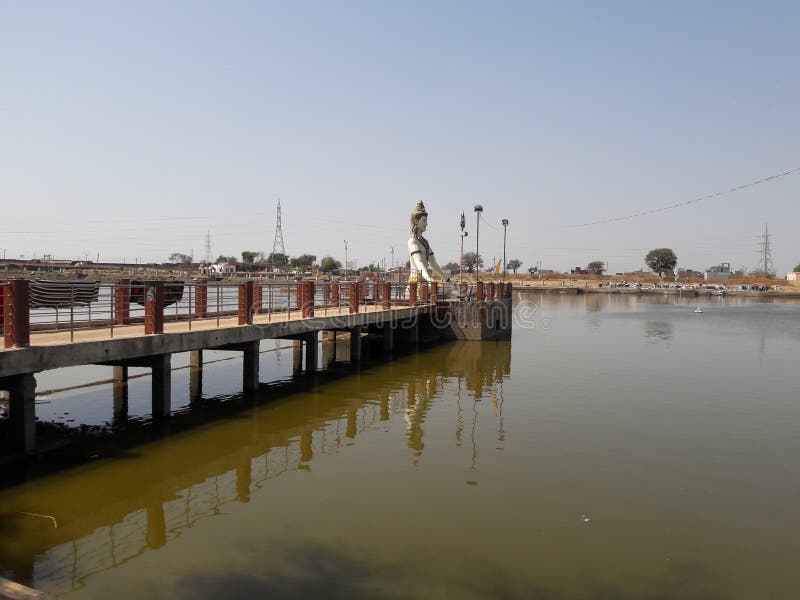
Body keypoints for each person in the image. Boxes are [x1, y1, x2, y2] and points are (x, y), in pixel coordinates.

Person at [407, 201, 447, 283]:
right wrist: (428, 278)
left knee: (441, 288)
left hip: (425, 280)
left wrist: (447, 278)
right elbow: (418, 262)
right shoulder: (412, 241)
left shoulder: (425, 242)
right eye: (424, 221)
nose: (426, 224)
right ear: (416, 222)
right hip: (415, 281)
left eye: (426, 221)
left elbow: (434, 264)